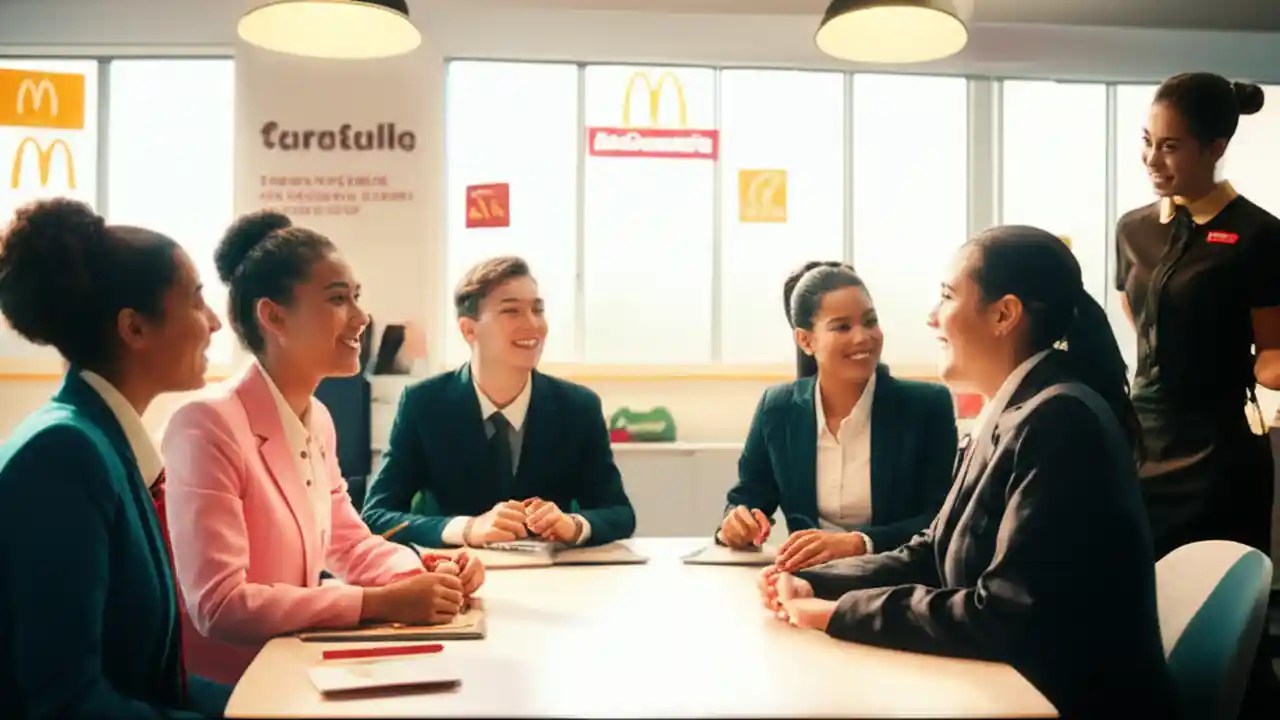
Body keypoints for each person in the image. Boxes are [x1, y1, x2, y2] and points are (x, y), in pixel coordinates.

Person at [760, 227, 1175, 718]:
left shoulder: (1059, 421)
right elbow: (933, 553)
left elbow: (1003, 614)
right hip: (1009, 688)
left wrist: (840, 614)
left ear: (1004, 315)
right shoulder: (1011, 413)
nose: (931, 317)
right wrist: (818, 581)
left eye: (947, 296)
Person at [161, 211, 484, 685]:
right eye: (337, 299)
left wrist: (422, 571)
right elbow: (220, 606)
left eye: (356, 297)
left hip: (300, 664)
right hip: (237, 687)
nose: (361, 316)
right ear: (272, 315)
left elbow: (348, 542)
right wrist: (376, 603)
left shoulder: (318, 420)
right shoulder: (206, 424)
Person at [0, 198, 231, 717]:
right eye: (196, 300)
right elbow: (67, 702)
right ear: (134, 328)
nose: (214, 322)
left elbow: (151, 680)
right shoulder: (63, 455)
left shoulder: (98, 443)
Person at [1116, 71, 1280, 716]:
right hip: (1141, 442)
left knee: (1217, 613)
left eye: (1173, 146)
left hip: (1217, 452)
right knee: (1138, 604)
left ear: (1216, 147)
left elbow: (1270, 353)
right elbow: (1139, 325)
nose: (1154, 160)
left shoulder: (1260, 236)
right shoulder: (1134, 229)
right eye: (1148, 142)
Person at [363, 256, 636, 548]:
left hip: (555, 578)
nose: (533, 324)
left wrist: (573, 525)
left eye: (537, 309)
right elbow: (376, 516)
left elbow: (620, 514)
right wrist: (468, 528)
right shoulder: (424, 404)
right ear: (469, 330)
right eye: (512, 311)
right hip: (458, 578)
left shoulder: (578, 407)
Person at [718, 261, 957, 572]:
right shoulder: (777, 408)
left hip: (898, 580)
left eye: (870, 322)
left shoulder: (926, 406)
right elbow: (748, 496)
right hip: (807, 580)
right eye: (842, 327)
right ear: (805, 340)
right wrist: (737, 523)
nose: (862, 338)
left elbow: (943, 517)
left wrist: (858, 543)